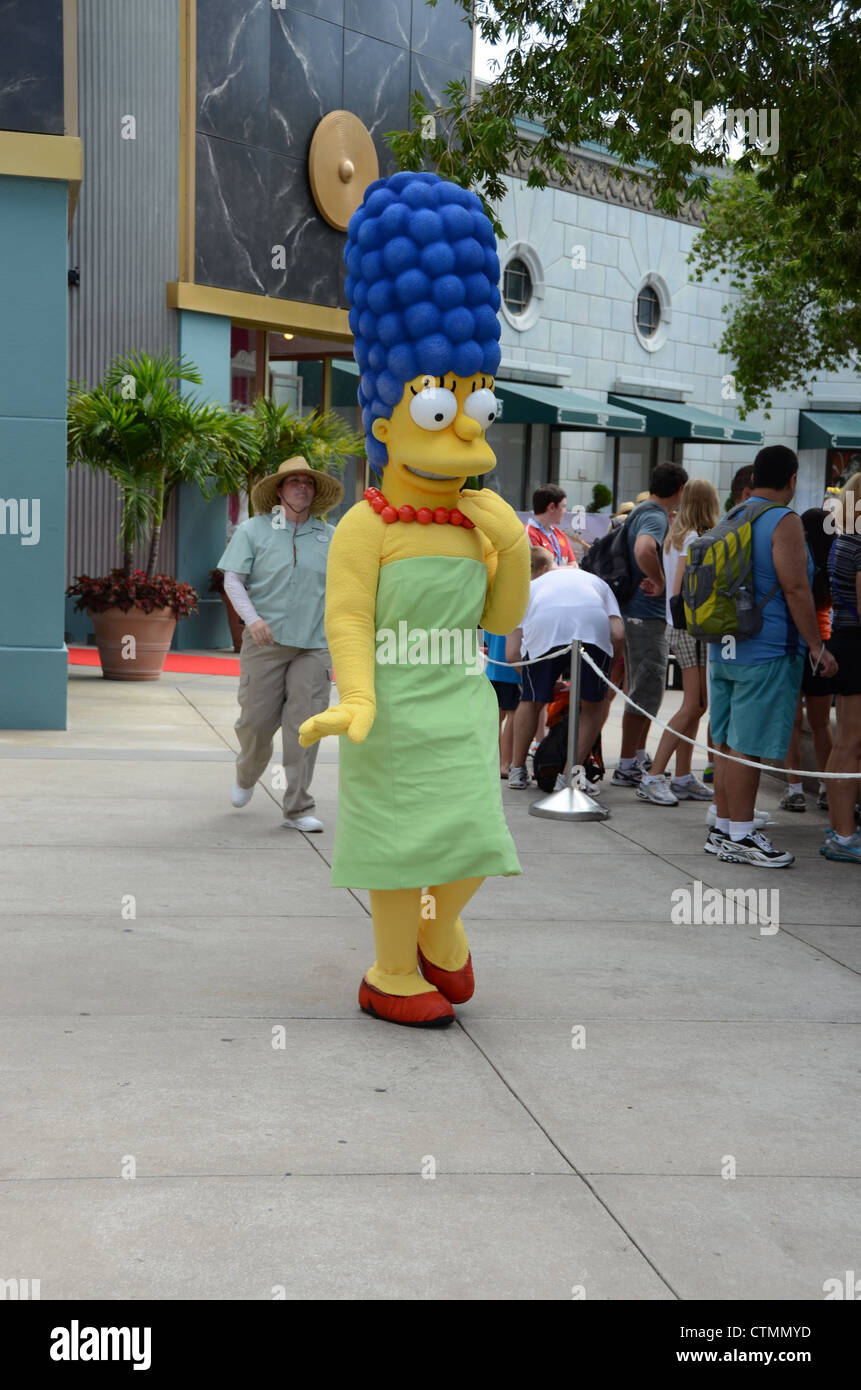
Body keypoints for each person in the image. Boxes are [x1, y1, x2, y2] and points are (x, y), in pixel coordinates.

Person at [297, 169, 530, 1029]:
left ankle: (443, 926)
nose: (469, 431)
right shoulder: (367, 525)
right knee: (398, 846)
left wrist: (508, 542)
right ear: (388, 425)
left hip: (459, 694)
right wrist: (354, 694)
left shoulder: (480, 521)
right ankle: (390, 969)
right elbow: (348, 616)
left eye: (477, 406)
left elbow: (501, 621)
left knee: (472, 833)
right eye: (442, 411)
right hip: (390, 702)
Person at [707, 445, 838, 868]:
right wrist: (816, 646)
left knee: (726, 742)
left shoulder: (732, 516)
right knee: (748, 747)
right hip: (767, 649)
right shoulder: (783, 520)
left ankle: (724, 829)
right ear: (793, 480)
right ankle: (743, 836)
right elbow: (797, 588)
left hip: (723, 644)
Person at [219, 456, 343, 832]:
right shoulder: (253, 530)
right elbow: (233, 580)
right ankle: (247, 773)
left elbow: (344, 588)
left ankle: (298, 807)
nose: (302, 487)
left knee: (305, 726)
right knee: (255, 723)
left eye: (308, 482)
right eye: (294, 482)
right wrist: (251, 620)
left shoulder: (330, 536)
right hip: (265, 642)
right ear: (279, 490)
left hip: (314, 645)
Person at [506, 548, 623, 784]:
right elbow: (618, 635)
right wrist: (606, 673)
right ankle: (571, 775)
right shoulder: (595, 581)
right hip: (592, 626)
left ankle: (517, 770)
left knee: (531, 699)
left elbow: (511, 654)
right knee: (593, 705)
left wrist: (536, 683)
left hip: (544, 624)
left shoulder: (528, 589)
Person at [637, 478, 720, 805]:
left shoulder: (679, 535)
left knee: (696, 706)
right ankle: (656, 774)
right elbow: (684, 588)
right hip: (691, 627)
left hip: (682, 625)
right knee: (694, 705)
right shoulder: (694, 539)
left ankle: (683, 776)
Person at [611, 462, 689, 787]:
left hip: (637, 613)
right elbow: (645, 549)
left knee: (644, 686)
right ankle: (628, 762)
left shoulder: (644, 510)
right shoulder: (655, 515)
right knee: (646, 688)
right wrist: (658, 579)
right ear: (680, 490)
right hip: (645, 614)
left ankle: (637, 756)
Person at [780, 509, 836, 812]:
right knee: (821, 723)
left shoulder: (798, 559)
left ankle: (795, 788)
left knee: (792, 721)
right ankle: (827, 786)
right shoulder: (833, 562)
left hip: (794, 643)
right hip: (825, 643)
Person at [822, 470, 861, 863]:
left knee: (843, 742)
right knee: (852, 743)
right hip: (856, 643)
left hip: (845, 642)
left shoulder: (843, 540)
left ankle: (839, 829)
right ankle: (845, 835)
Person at [485, 628, 521, 776]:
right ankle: (506, 764)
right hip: (512, 671)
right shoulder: (517, 615)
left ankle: (498, 762)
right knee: (514, 715)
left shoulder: (496, 617)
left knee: (496, 717)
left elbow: (486, 640)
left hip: (493, 669)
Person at [525, 484, 578, 566]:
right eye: (563, 506)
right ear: (552, 507)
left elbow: (574, 566)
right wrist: (568, 569)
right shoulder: (528, 532)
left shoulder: (560, 534)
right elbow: (543, 570)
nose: (565, 512)